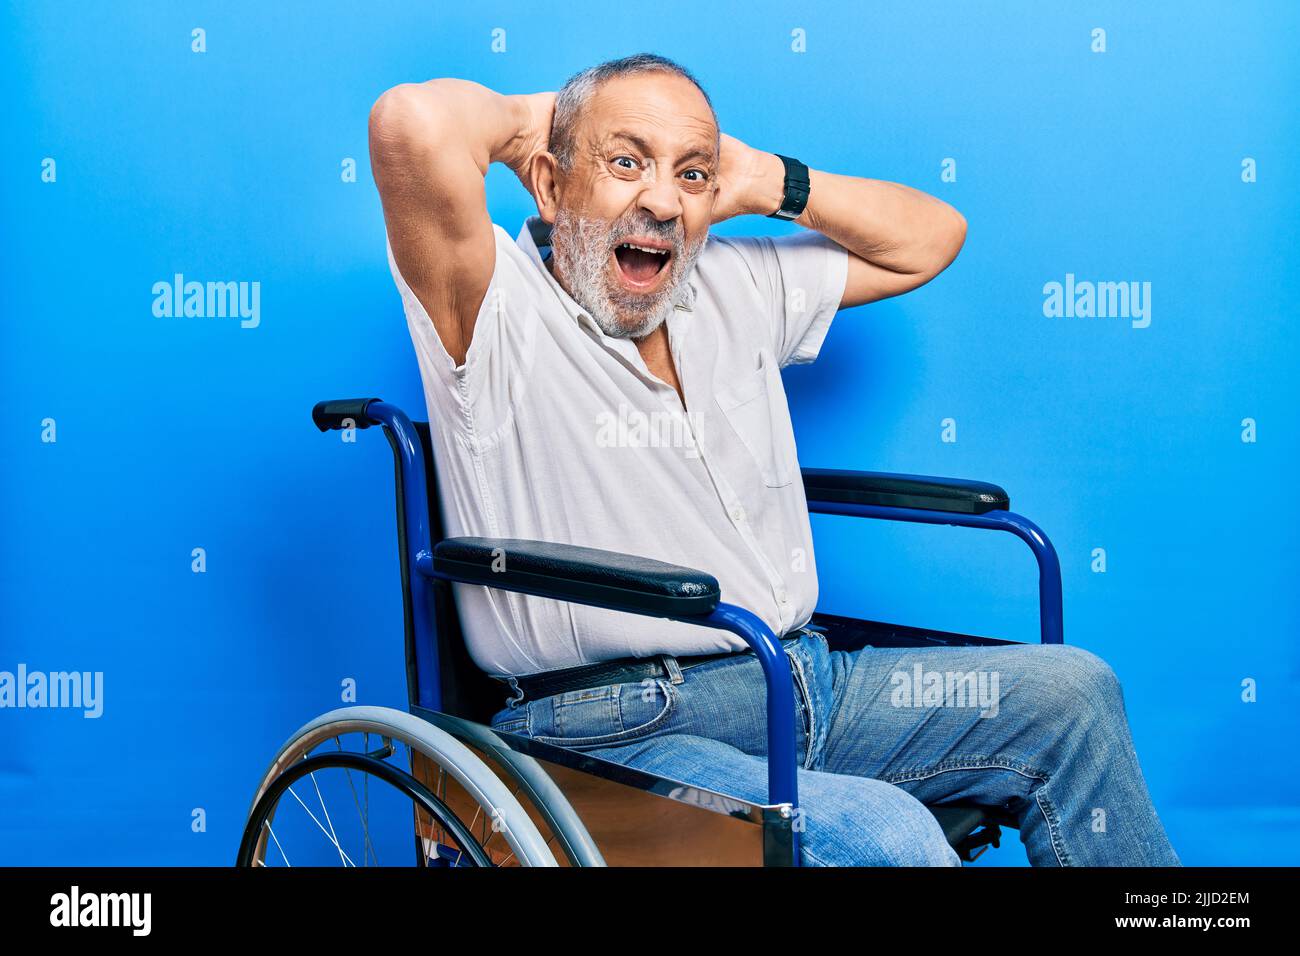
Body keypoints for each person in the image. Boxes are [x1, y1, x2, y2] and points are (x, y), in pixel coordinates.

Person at [368, 52, 1179, 866]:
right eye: (625, 164)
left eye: (692, 175)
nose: (660, 199)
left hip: (807, 683)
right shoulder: (493, 310)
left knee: (1073, 693)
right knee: (885, 835)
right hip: (618, 730)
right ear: (547, 184)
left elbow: (931, 240)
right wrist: (579, 122)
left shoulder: (733, 284)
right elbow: (412, 121)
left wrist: (762, 179)